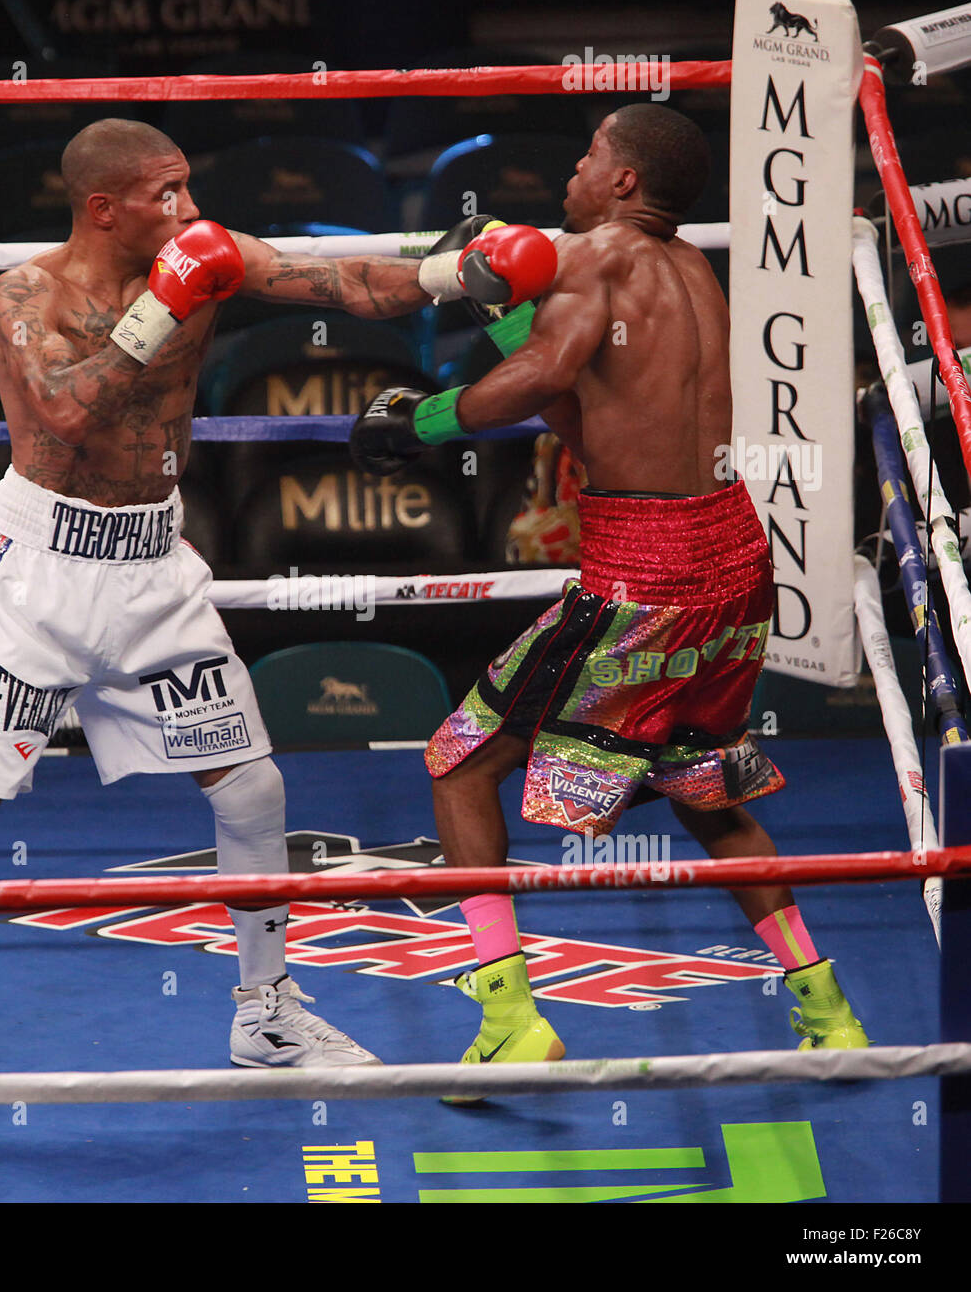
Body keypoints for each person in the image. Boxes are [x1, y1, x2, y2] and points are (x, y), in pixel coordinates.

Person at [0, 117, 555, 1129]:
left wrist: (452, 277)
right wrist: (164, 308)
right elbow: (66, 412)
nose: (190, 212)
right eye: (165, 195)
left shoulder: (200, 256)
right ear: (101, 206)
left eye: (188, 188)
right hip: (35, 572)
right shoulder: (26, 294)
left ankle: (266, 1012)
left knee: (253, 788)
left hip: (154, 566)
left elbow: (335, 283)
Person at [349, 104, 869, 1094]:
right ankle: (828, 1012)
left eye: (589, 156)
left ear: (623, 183)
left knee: (457, 764)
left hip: (645, 573)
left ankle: (510, 1022)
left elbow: (543, 374)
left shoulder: (594, 255)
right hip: (733, 559)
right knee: (701, 789)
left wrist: (416, 419)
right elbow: (580, 400)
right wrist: (502, 312)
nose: (573, 171)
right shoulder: (692, 273)